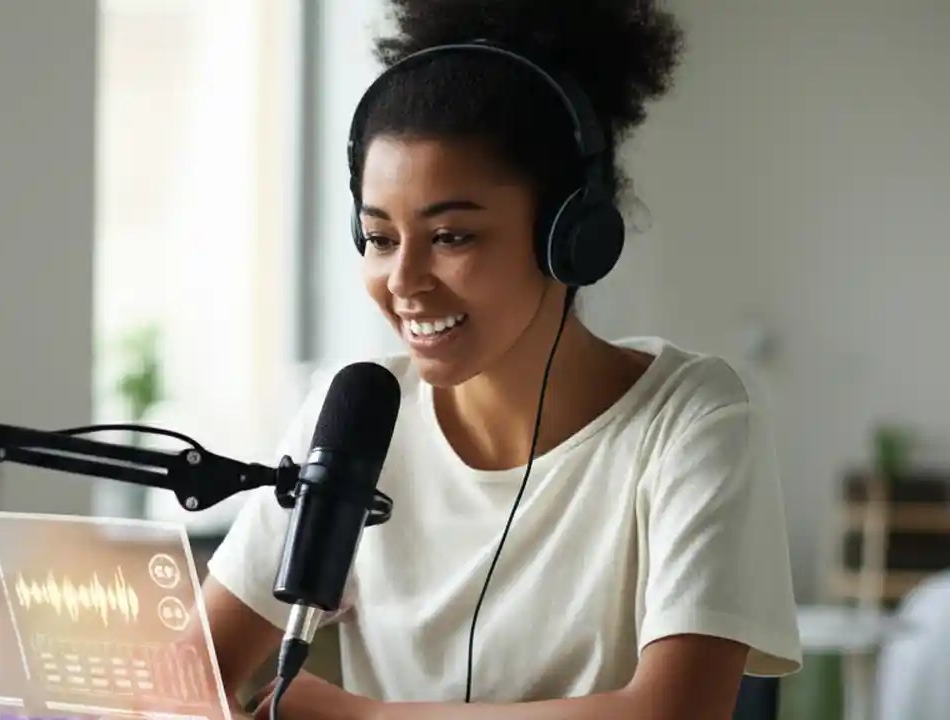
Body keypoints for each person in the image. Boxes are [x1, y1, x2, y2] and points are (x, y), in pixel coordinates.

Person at [199, 1, 803, 718]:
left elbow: (673, 712)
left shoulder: (692, 420)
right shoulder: (360, 414)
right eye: (381, 238)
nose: (403, 281)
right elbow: (186, 673)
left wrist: (363, 718)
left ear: (569, 236)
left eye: (451, 237)